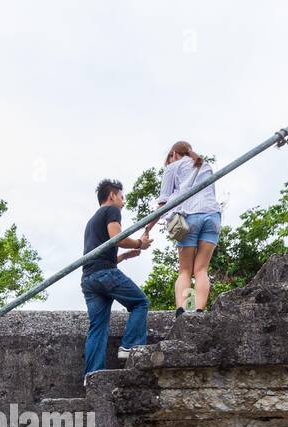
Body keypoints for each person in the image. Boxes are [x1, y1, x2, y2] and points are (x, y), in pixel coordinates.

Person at [79, 178, 152, 381]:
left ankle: (92, 376)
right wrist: (139, 242)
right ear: (112, 195)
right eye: (122, 197)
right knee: (140, 303)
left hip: (89, 278)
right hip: (104, 274)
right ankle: (129, 347)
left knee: (98, 327)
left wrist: (124, 256)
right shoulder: (111, 211)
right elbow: (117, 238)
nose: (123, 202)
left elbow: (101, 254)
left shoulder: (91, 221)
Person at [156, 140, 222, 317]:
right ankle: (199, 311)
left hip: (190, 216)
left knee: (185, 270)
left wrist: (148, 228)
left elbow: (163, 202)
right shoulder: (205, 164)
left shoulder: (173, 167)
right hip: (213, 216)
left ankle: (181, 310)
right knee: (201, 270)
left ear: (174, 155)